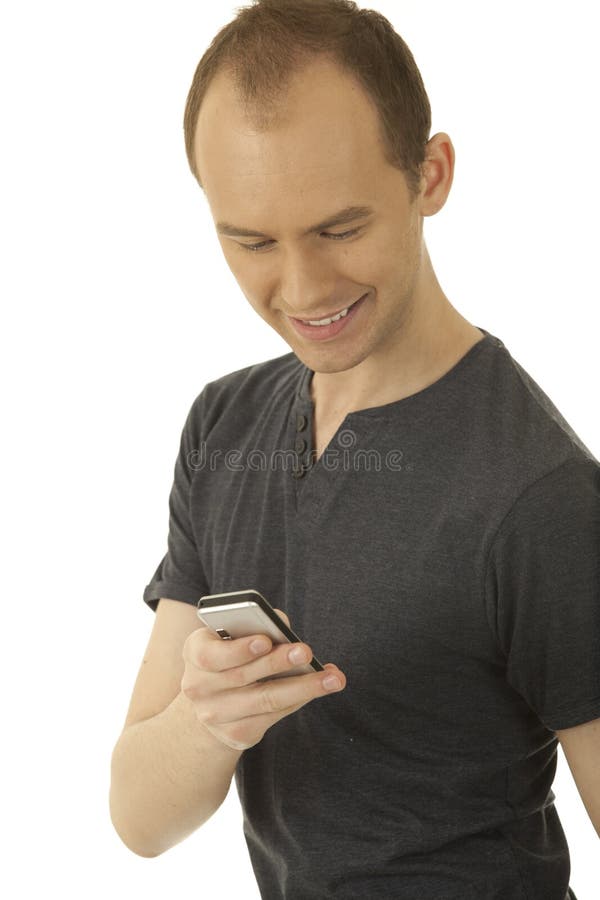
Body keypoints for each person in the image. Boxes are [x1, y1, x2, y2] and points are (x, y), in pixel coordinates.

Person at [109, 1, 599, 897]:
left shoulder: (544, 496)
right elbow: (139, 818)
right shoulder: (223, 427)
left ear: (431, 174)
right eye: (252, 241)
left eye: (341, 229)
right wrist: (210, 721)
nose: (302, 288)